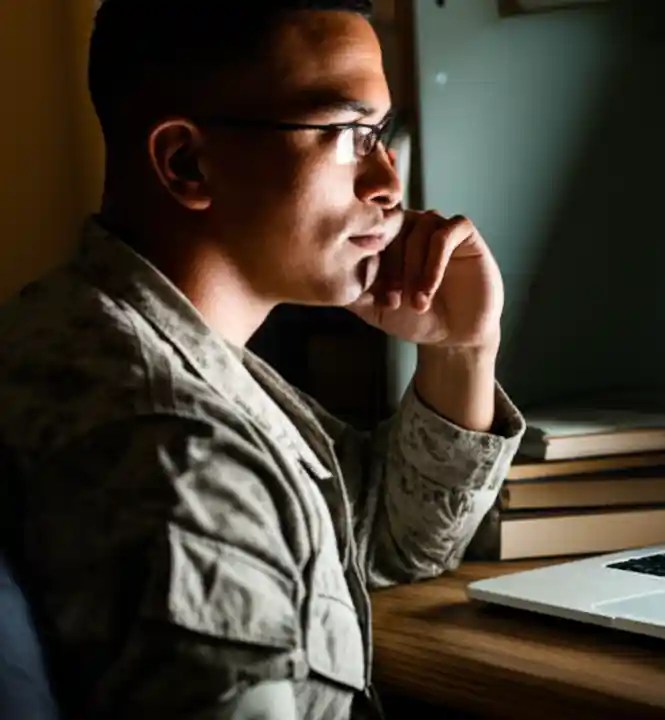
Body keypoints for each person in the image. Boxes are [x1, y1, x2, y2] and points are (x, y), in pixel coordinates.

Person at [0, 1, 525, 718]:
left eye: (380, 133)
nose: (387, 184)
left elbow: (379, 541)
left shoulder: (92, 332)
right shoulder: (176, 447)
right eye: (345, 133)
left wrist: (462, 350)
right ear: (186, 162)